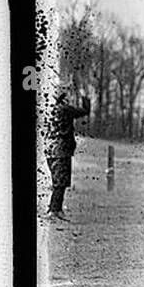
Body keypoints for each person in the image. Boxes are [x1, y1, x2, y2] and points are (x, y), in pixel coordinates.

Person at [43, 82, 90, 219]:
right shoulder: (65, 109)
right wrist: (84, 95)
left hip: (50, 149)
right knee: (60, 182)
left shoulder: (51, 108)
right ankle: (54, 210)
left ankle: (56, 210)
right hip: (61, 150)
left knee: (58, 181)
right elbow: (84, 111)